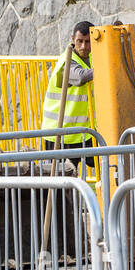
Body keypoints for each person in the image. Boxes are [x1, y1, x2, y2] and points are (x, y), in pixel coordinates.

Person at [40, 20, 95, 166]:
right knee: (61, 182)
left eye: (88, 42)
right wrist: (107, 65)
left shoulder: (93, 58)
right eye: (80, 41)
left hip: (83, 132)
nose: (84, 46)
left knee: (105, 163)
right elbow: (81, 76)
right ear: (72, 39)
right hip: (59, 133)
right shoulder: (67, 60)